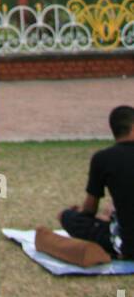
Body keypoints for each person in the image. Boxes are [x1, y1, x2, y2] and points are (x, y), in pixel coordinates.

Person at [59, 104, 134, 258]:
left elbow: (90, 209)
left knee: (66, 215)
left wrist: (79, 213)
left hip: (127, 245)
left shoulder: (103, 158)